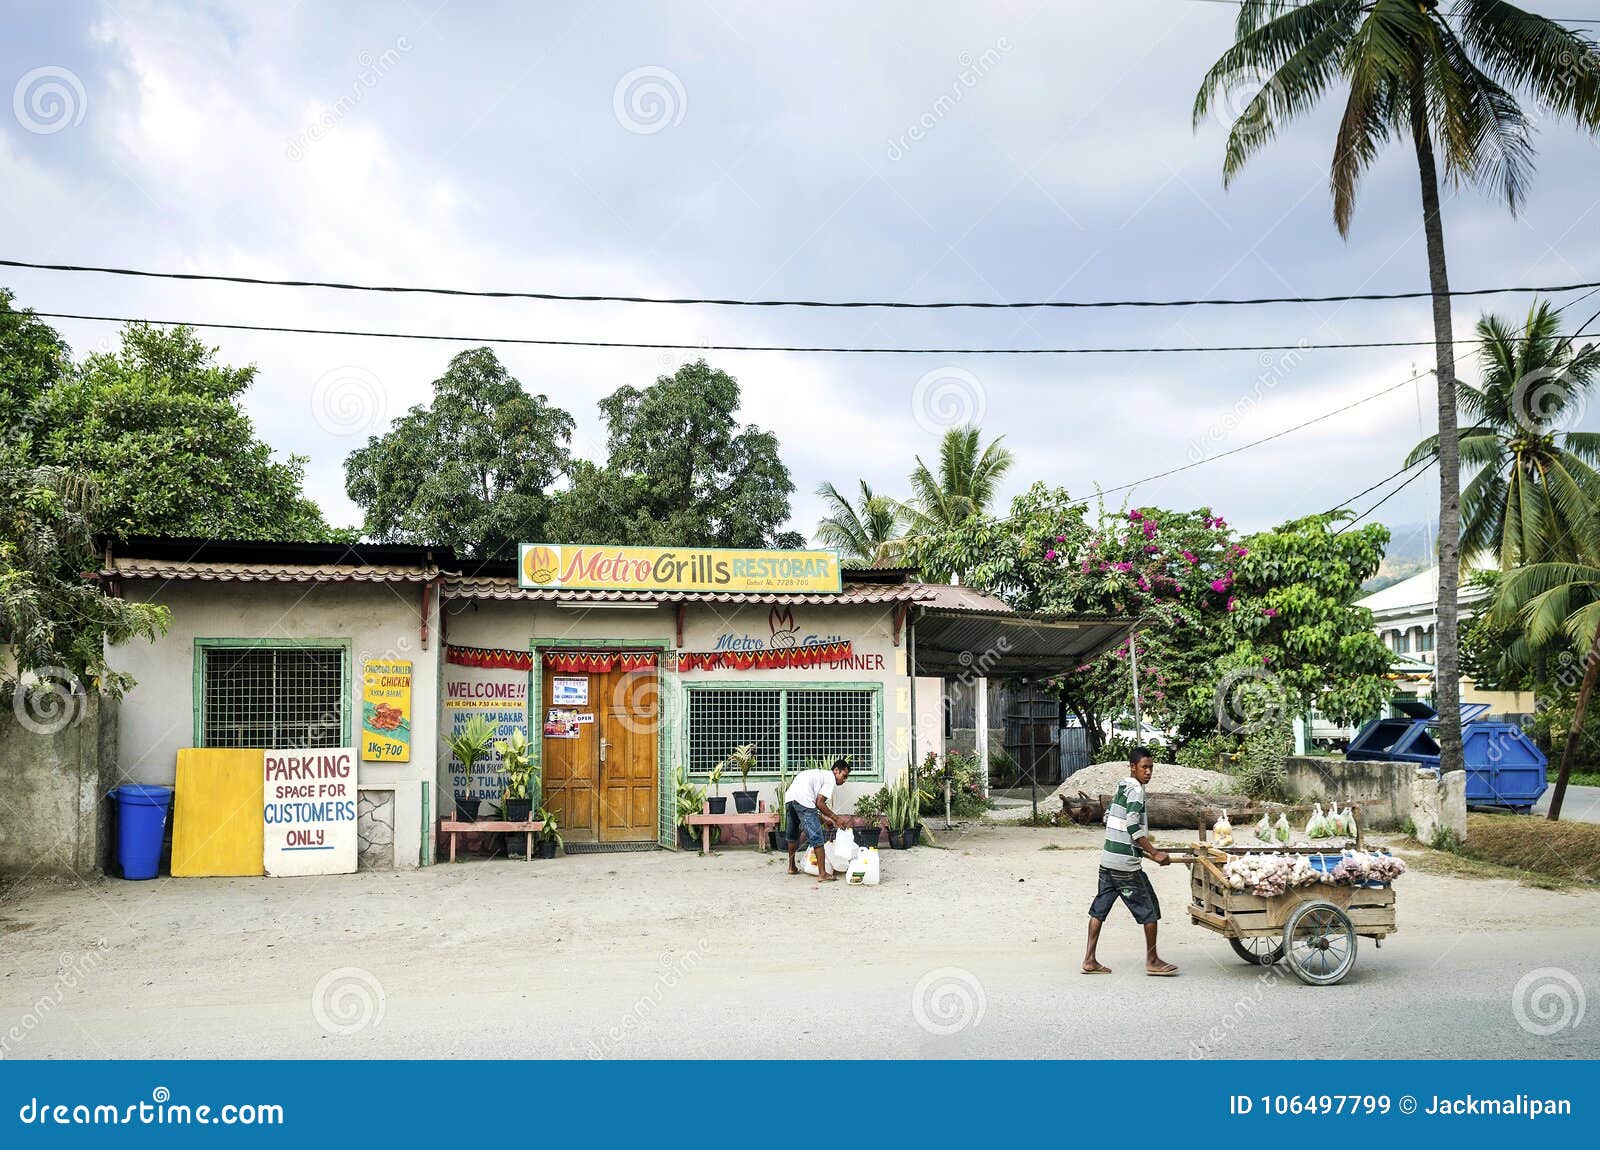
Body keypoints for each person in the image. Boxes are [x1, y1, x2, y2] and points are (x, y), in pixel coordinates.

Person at [1082, 747, 1178, 976]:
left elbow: (1109, 819)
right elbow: (1133, 827)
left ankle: (1089, 959)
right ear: (1133, 767)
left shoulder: (1122, 786)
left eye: (1151, 767)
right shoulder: (1136, 790)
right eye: (1144, 767)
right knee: (1150, 910)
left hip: (1108, 860)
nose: (1148, 772)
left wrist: (1141, 850)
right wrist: (1154, 853)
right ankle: (1152, 961)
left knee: (1099, 910)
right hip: (1125, 867)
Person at [785, 758, 851, 882]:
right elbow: (819, 803)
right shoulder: (830, 778)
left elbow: (811, 807)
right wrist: (837, 819)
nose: (844, 780)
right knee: (817, 837)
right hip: (802, 799)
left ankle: (791, 867)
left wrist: (823, 820)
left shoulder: (819, 775)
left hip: (790, 798)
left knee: (792, 834)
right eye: (844, 776)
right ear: (836, 770)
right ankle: (822, 874)